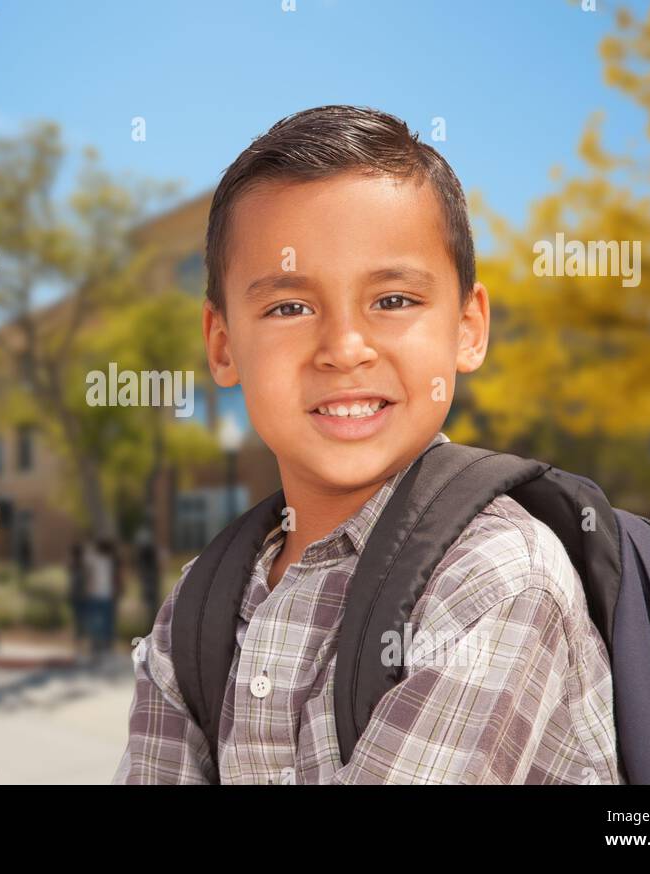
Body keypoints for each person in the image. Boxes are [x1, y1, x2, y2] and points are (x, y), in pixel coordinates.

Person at [114, 106, 619, 784]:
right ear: (223, 344)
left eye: (394, 300)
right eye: (289, 307)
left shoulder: (496, 575)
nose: (344, 350)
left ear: (468, 327)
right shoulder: (200, 602)